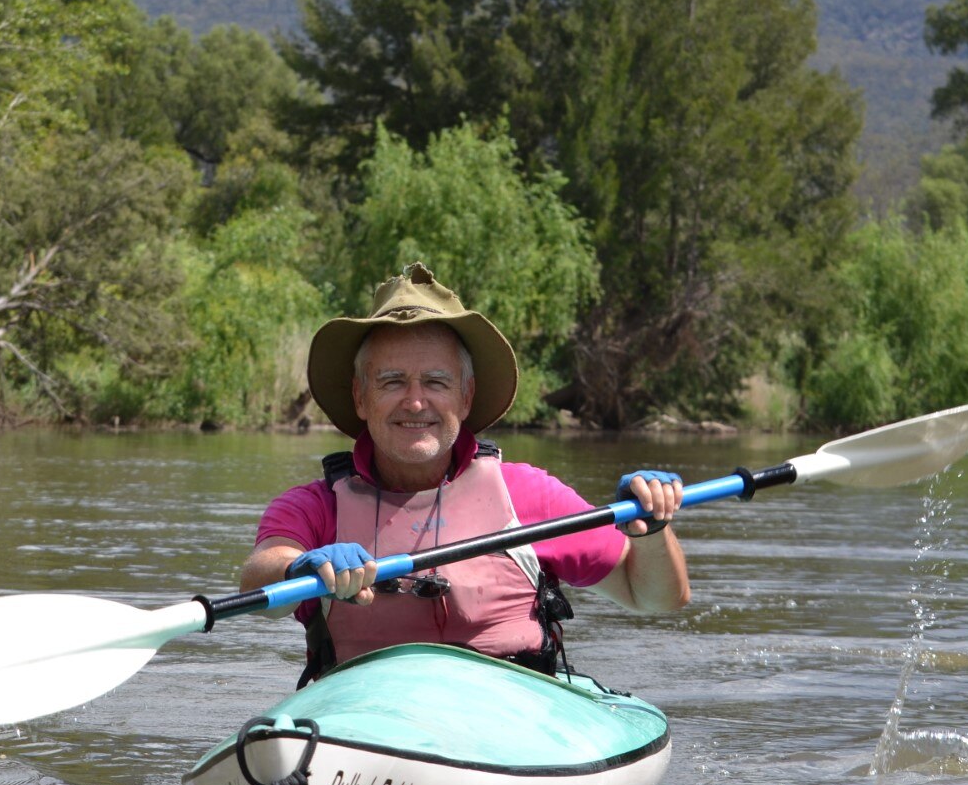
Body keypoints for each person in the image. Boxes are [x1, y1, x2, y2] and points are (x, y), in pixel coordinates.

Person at [240, 263, 689, 683]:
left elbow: (654, 597)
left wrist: (651, 532)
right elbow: (260, 577)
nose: (415, 402)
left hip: (511, 716)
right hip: (364, 718)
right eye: (392, 382)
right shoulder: (314, 507)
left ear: (467, 396)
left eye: (436, 382)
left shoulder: (528, 495)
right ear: (360, 397)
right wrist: (299, 565)